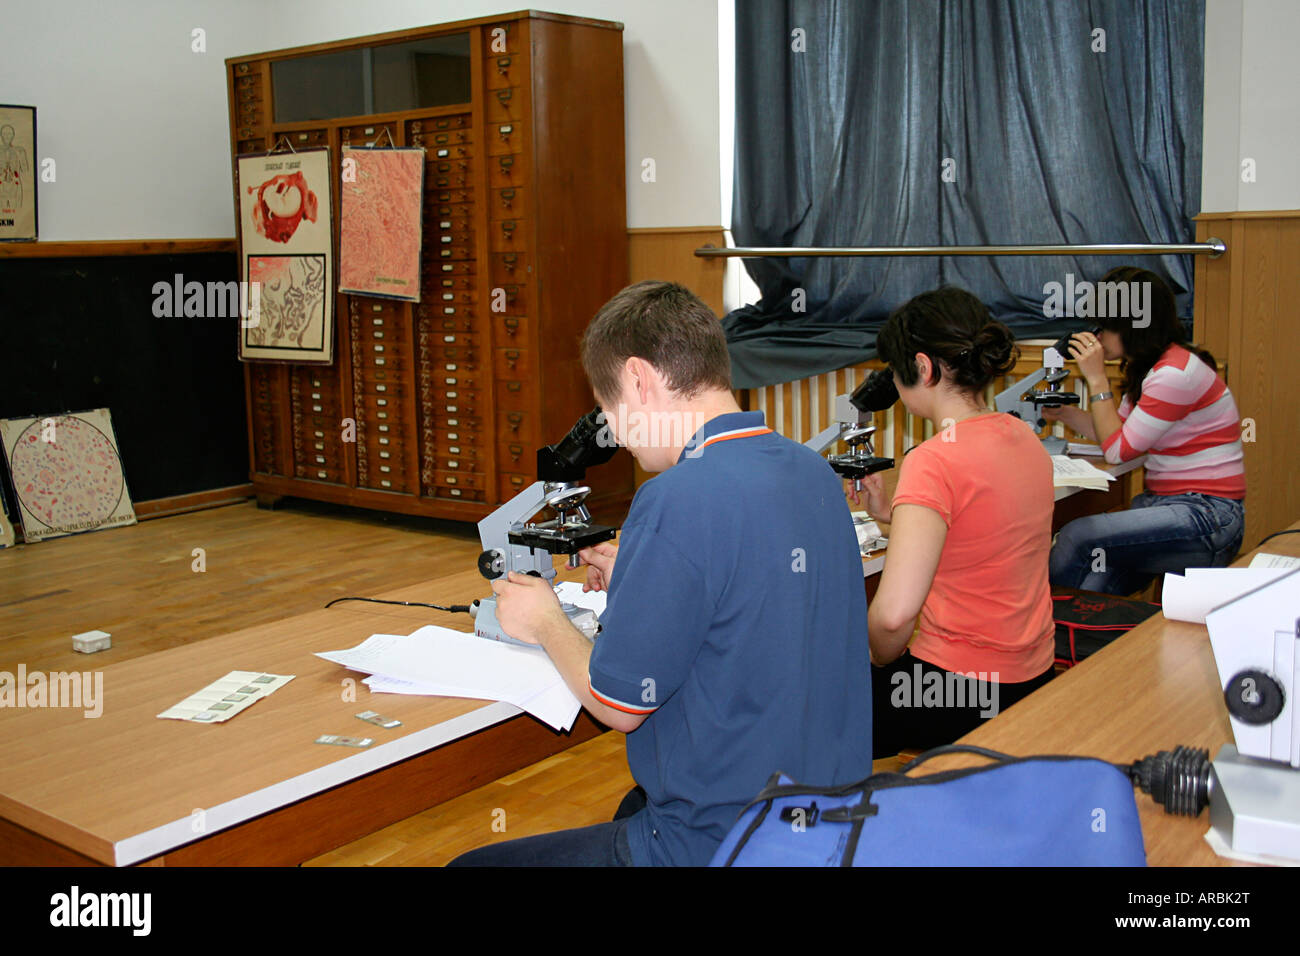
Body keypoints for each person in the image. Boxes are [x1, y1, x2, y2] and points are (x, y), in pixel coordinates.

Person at [448, 280, 873, 866]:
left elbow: (618, 706)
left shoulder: (676, 496)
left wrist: (545, 619)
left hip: (717, 843)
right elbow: (754, 592)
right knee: (629, 805)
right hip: (826, 822)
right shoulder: (812, 471)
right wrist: (648, 571)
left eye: (609, 409)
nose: (615, 434)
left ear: (639, 380)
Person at [849, 287, 1056, 759]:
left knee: (816, 699)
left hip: (955, 695)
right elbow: (981, 533)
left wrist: (880, 659)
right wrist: (893, 513)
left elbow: (893, 615)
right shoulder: (1024, 437)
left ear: (923, 368)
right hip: (1031, 675)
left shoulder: (933, 459)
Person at [1046, 267, 1245, 595]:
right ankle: (1074, 638)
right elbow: (1119, 433)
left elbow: (1116, 450)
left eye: (1106, 327)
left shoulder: (1174, 375)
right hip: (1170, 506)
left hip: (1208, 517)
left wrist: (1096, 379)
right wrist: (1064, 413)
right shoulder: (1152, 368)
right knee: (1096, 583)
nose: (1097, 337)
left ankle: (1040, 631)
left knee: (1076, 535)